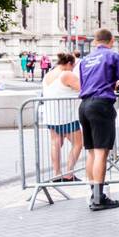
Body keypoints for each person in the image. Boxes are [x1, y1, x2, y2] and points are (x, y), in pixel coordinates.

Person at [78, 28, 119, 211]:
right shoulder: (114, 56)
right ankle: (99, 199)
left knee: (91, 152)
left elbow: (84, 84)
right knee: (101, 152)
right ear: (112, 40)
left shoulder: (85, 60)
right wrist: (118, 84)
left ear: (94, 41)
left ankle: (94, 192)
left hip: (84, 105)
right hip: (101, 105)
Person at [40, 53, 83, 182]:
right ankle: (69, 173)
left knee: (56, 143)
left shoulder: (49, 74)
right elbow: (84, 89)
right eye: (73, 66)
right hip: (66, 116)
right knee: (78, 143)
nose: (73, 68)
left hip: (52, 114)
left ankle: (57, 173)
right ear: (69, 63)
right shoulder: (66, 74)